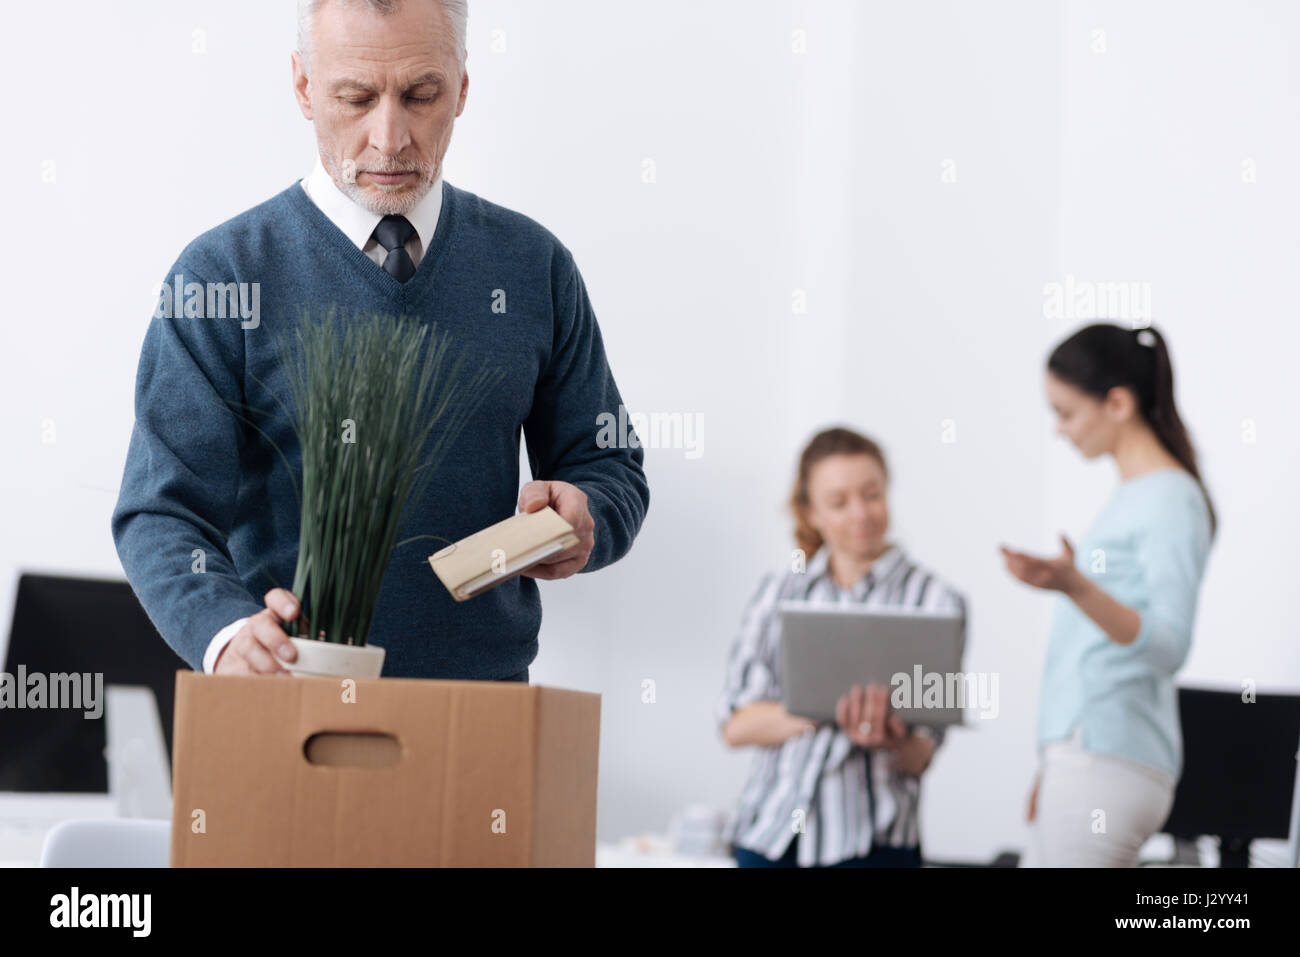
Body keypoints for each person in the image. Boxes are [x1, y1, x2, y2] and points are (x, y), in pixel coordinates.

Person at [110, 0, 649, 679]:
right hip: (289, 701)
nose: (389, 139)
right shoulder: (221, 277)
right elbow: (161, 513)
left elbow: (608, 465)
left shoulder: (532, 266)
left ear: (462, 87)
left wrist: (586, 513)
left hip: (485, 715)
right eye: (356, 98)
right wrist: (224, 633)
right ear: (304, 87)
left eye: (421, 95)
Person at [1001, 323, 1215, 867]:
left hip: (1105, 760)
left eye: (1067, 413)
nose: (1059, 430)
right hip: (1083, 758)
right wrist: (1053, 759)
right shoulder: (1134, 496)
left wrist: (1075, 586)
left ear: (1117, 403)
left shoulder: (1171, 499)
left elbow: (1169, 644)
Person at [715, 427, 967, 867]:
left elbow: (922, 754)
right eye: (838, 502)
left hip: (876, 845)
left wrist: (889, 740)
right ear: (811, 513)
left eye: (872, 495)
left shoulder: (937, 601)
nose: (861, 513)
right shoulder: (778, 592)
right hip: (769, 836)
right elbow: (736, 726)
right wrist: (825, 708)